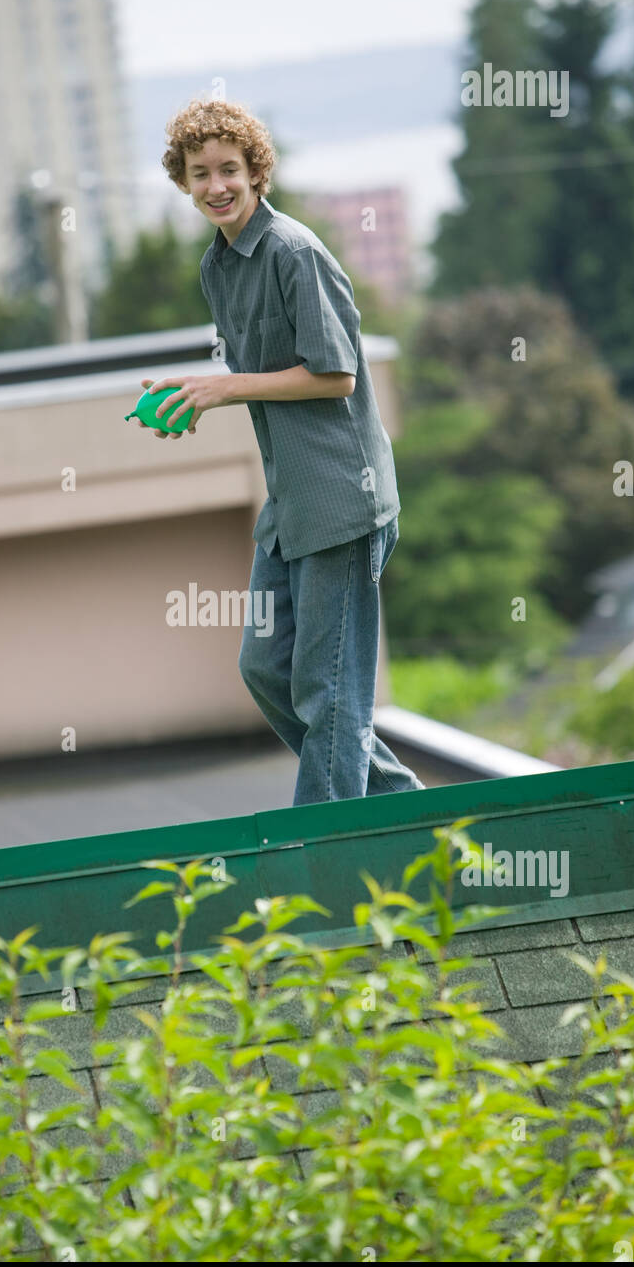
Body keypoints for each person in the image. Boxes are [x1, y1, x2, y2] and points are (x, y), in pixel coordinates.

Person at [133, 97, 424, 806]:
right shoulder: (218, 267)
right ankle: (421, 810)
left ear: (256, 172)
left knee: (329, 694)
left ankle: (321, 857)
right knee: (266, 667)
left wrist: (224, 389)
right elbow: (253, 379)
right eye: (199, 173)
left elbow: (336, 375)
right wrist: (192, 397)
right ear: (183, 181)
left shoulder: (294, 252)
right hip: (288, 503)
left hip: (339, 501)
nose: (215, 186)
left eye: (228, 169)